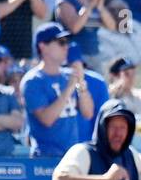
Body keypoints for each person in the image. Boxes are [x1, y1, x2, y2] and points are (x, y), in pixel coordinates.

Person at [52, 99, 141, 180]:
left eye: (123, 128)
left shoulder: (131, 155)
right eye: (113, 127)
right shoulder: (83, 151)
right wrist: (105, 179)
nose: (118, 133)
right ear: (102, 128)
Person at [22, 22, 94, 158]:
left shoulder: (68, 75)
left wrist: (82, 85)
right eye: (61, 42)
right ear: (43, 46)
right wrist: (69, 89)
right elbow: (47, 119)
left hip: (71, 156)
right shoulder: (33, 81)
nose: (66, 47)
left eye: (66, 42)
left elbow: (88, 113)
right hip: (45, 158)